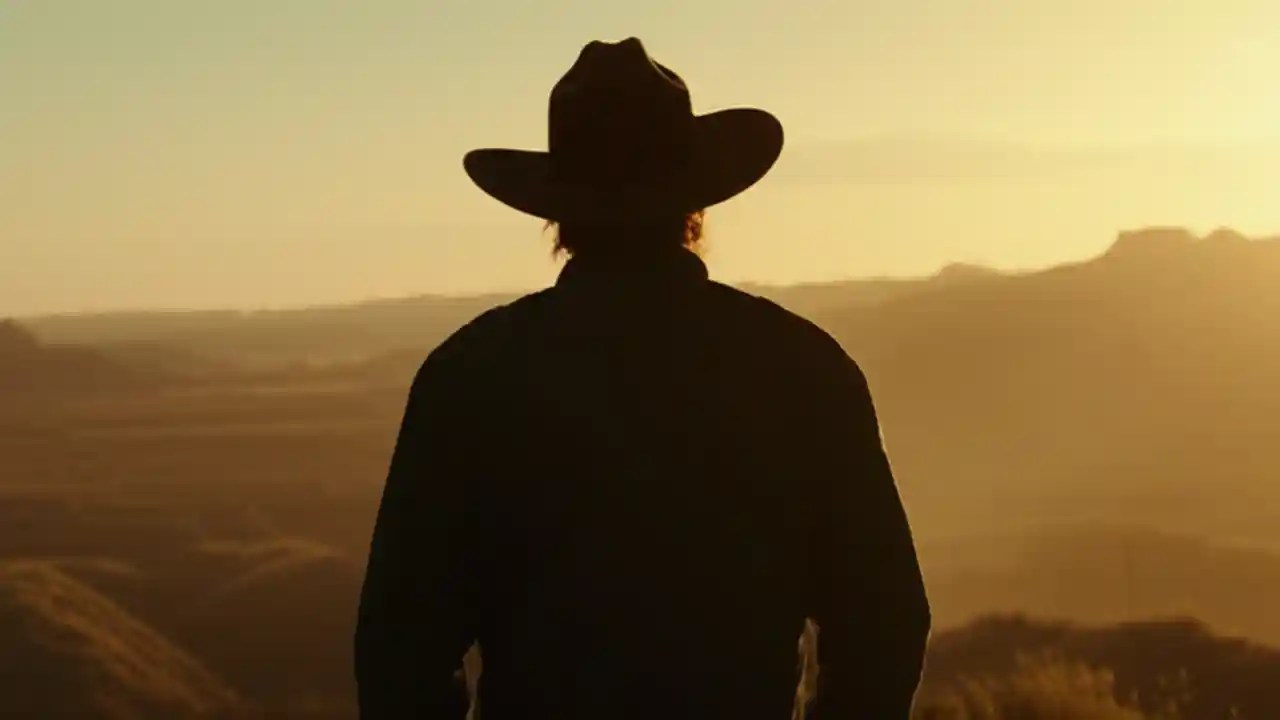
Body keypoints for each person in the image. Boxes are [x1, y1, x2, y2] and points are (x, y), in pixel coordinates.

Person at [355, 37, 931, 720]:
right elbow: (884, 621)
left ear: (557, 216)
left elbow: (400, 650)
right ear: (695, 205)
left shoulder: (470, 377)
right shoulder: (801, 368)